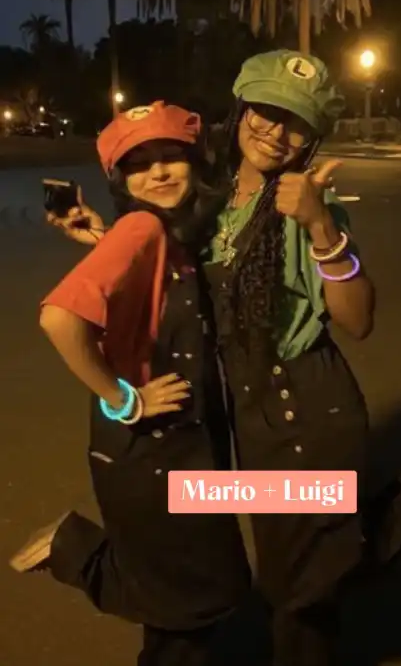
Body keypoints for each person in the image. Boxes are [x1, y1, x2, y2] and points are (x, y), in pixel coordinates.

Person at [37, 52, 401, 666]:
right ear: (240, 110)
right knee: (239, 539)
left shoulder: (310, 205)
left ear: (312, 137)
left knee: (297, 592)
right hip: (243, 417)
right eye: (265, 111)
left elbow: (358, 320)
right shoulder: (211, 199)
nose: (275, 132)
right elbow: (179, 280)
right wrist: (106, 239)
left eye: (296, 123)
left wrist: (320, 226)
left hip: (304, 407)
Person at [9, 101, 253, 666]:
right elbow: (59, 318)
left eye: (171, 156)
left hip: (183, 447)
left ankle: (77, 551)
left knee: (195, 593)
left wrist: (104, 237)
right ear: (122, 178)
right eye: (139, 164)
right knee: (191, 606)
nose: (158, 172)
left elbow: (149, 291)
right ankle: (76, 551)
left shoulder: (159, 229)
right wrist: (124, 400)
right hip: (153, 455)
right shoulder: (143, 227)